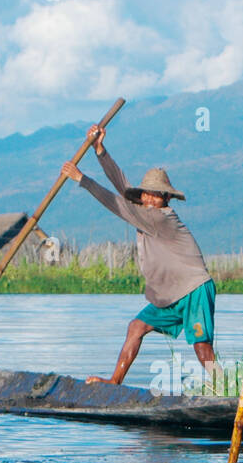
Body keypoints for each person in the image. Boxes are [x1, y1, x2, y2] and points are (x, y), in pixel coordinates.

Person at [62, 125, 217, 385]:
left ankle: (227, 390)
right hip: (172, 294)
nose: (148, 198)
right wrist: (100, 151)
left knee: (202, 347)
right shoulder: (146, 211)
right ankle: (114, 383)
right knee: (137, 326)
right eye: (146, 193)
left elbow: (118, 204)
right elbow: (124, 188)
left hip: (193, 289)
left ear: (166, 198)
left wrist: (83, 180)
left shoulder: (158, 218)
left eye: (155, 195)